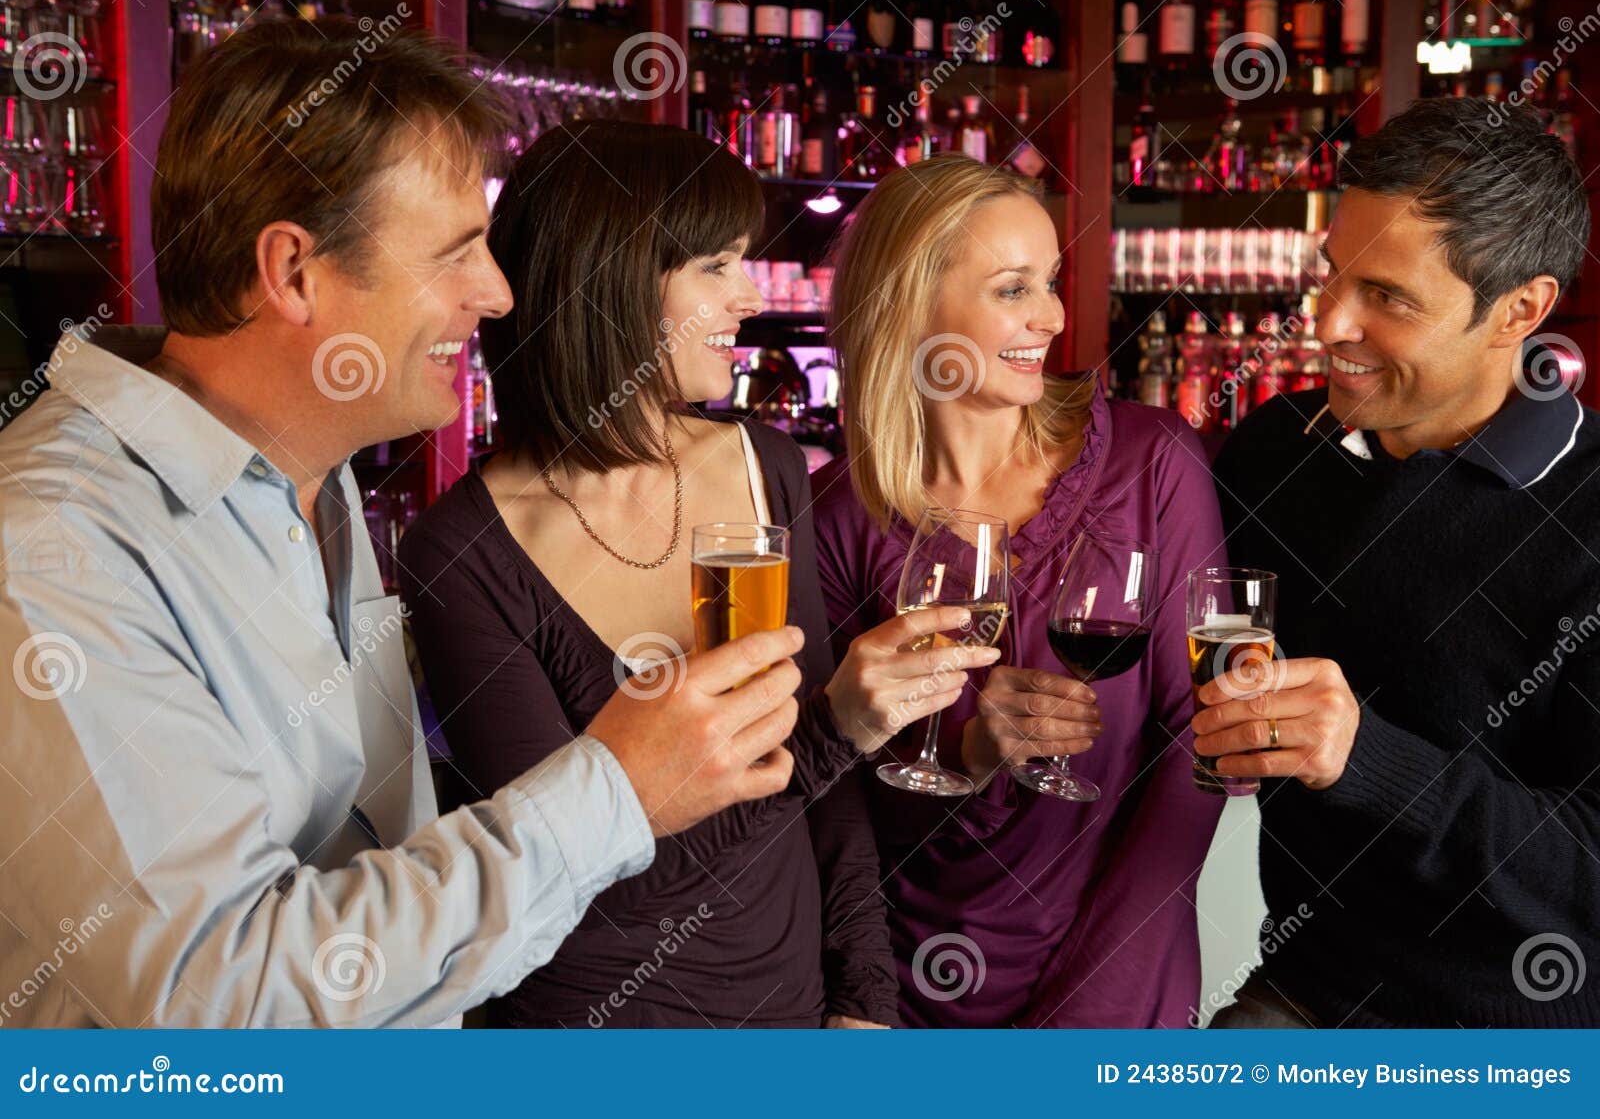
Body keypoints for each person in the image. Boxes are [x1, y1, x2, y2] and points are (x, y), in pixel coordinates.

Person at [0, 20, 809, 1028]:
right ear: (295, 273)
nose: (500, 292)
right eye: (455, 252)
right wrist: (617, 789)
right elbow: (218, 994)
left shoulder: (307, 473)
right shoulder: (52, 545)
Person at [398, 122, 1001, 1028]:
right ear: (611, 280)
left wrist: (867, 996)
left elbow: (825, 810)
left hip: (794, 1008)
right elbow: (571, 872)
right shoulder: (462, 553)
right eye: (715, 267)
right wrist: (838, 723)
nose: (751, 295)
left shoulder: (766, 464)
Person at [1206, 97, 1600, 1026]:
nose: (1328, 322)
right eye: (1332, 273)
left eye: (1387, 297)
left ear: (1521, 310)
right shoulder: (1276, 450)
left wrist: (1367, 759)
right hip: (1305, 994)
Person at [811, 153, 1227, 1027]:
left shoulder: (1150, 461)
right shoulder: (836, 515)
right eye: (1012, 289)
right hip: (903, 989)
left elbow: (1202, 742)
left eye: (1049, 281)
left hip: (1116, 974)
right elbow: (839, 804)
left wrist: (1098, 1005)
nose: (1051, 314)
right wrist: (967, 754)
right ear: (908, 303)